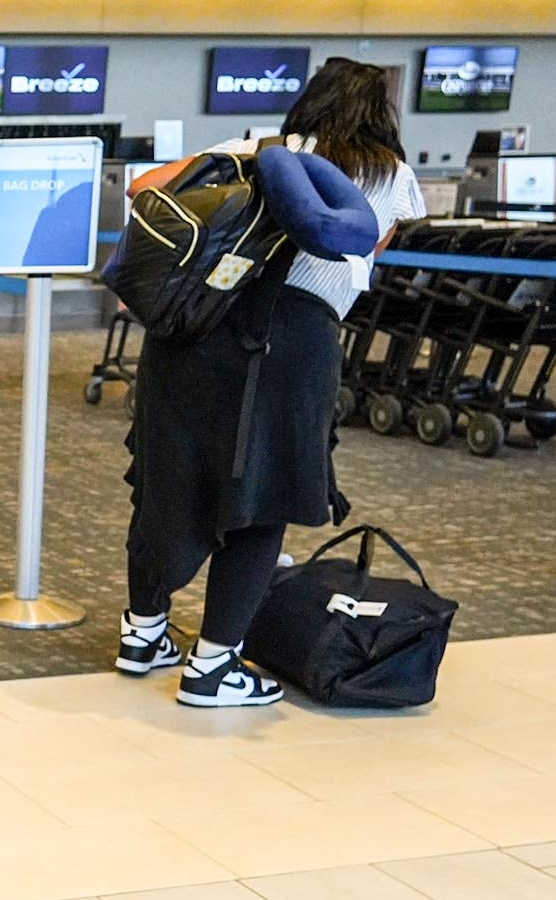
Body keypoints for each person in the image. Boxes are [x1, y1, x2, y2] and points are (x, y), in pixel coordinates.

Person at [120, 57, 423, 708]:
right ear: (381, 113)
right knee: (261, 499)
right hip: (291, 345)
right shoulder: (390, 175)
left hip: (191, 333)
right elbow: (363, 255)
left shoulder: (250, 148)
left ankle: (142, 635)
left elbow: (144, 186)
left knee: (166, 478)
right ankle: (212, 669)